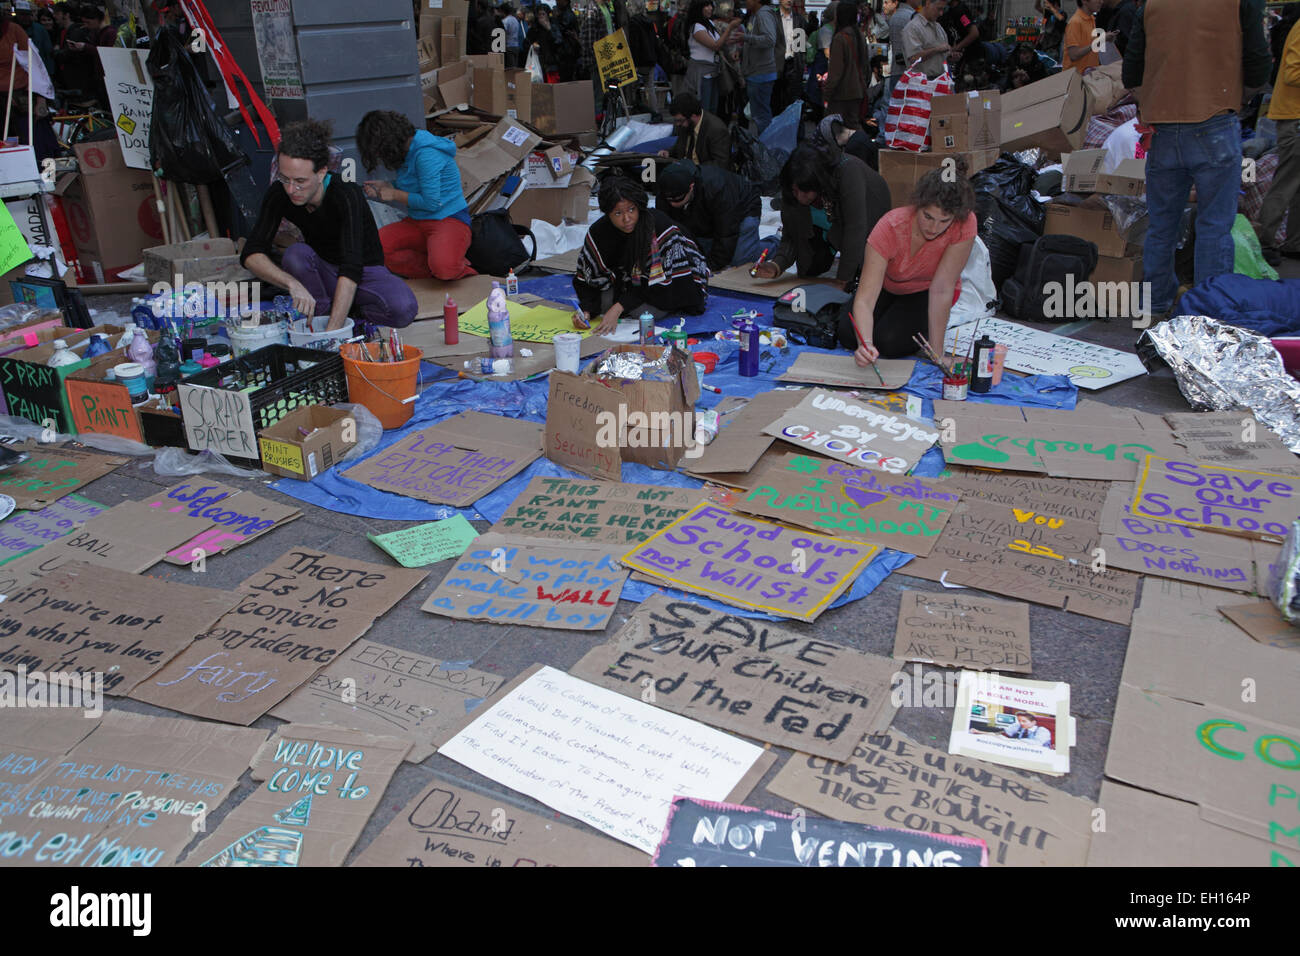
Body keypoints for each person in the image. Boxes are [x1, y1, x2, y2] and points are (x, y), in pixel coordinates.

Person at [1124, 0, 1270, 317]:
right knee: (1214, 227)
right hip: (1215, 119)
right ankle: (1208, 313)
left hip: (1162, 127)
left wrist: (1155, 100)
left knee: (1161, 226)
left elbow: (1131, 71)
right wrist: (1239, 96)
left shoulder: (1151, 5)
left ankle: (1153, 303)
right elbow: (1259, 64)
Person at [240, 120, 417, 331]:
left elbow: (352, 267)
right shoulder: (280, 192)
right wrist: (291, 284)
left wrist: (333, 333)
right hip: (323, 270)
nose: (290, 189)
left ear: (322, 172)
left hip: (364, 272)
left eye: (300, 181)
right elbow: (251, 252)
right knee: (296, 254)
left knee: (403, 308)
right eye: (284, 178)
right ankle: (321, 313)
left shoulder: (345, 193)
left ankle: (350, 317)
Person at [839, 159, 976, 360]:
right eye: (928, 217)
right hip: (888, 286)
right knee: (849, 335)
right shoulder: (890, 227)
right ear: (917, 205)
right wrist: (865, 346)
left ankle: (920, 331)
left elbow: (942, 288)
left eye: (944, 221)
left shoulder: (965, 223)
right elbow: (866, 298)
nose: (934, 228)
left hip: (926, 291)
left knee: (889, 342)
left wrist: (937, 353)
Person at [573, 174, 710, 333]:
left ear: (639, 206)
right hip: (625, 285)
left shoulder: (657, 227)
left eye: (631, 209)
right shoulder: (599, 232)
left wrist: (618, 308)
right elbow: (587, 275)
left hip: (666, 286)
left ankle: (624, 304)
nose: (627, 219)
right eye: (617, 213)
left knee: (643, 313)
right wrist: (587, 311)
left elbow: (657, 282)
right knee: (602, 304)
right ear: (607, 213)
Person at [356, 110, 476, 284]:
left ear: (387, 144)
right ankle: (437, 267)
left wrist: (394, 194)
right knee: (377, 246)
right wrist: (389, 186)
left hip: (449, 219)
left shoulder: (426, 154)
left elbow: (431, 203)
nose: (380, 158)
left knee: (444, 267)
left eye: (379, 152)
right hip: (418, 221)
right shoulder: (407, 149)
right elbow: (414, 186)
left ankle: (457, 268)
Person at [753, 136, 891, 287]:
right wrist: (776, 265)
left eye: (805, 192)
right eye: (794, 191)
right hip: (829, 230)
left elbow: (856, 229)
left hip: (868, 224)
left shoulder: (848, 172)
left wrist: (842, 280)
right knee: (809, 271)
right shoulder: (793, 183)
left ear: (818, 183)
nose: (799, 197)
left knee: (861, 278)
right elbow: (791, 235)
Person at [658, 159, 763, 268]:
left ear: (691, 187)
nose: (673, 204)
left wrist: (710, 267)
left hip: (744, 207)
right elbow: (666, 232)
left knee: (739, 260)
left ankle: (775, 246)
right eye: (670, 200)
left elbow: (726, 231)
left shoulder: (717, 188)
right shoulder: (664, 190)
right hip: (707, 215)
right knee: (697, 253)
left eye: (679, 199)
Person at [685, 0, 738, 114]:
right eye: (706, 6)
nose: (710, 8)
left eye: (711, 6)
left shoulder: (710, 24)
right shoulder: (696, 27)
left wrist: (731, 53)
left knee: (713, 108)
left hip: (714, 72)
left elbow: (721, 44)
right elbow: (715, 45)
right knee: (704, 108)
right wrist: (729, 28)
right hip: (702, 74)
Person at [825, 0, 869, 130]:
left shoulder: (840, 38)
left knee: (838, 130)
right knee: (853, 126)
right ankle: (860, 148)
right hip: (858, 90)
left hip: (842, 93)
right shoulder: (859, 35)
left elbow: (835, 72)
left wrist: (827, 93)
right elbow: (866, 65)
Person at [659, 91, 731, 168]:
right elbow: (679, 147)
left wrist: (694, 170)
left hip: (705, 174)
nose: (677, 124)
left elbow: (721, 164)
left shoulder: (716, 130)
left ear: (693, 116)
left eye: (680, 120)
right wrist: (668, 152)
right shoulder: (685, 124)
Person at [740, 0, 781, 135]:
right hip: (758, 72)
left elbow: (769, 39)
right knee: (760, 114)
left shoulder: (763, 15)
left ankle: (765, 149)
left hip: (761, 73)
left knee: (761, 115)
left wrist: (745, 37)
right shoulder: (756, 15)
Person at [899, 0, 950, 79]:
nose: (941, 13)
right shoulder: (912, 28)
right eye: (939, 9)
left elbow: (944, 54)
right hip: (921, 83)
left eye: (943, 9)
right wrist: (937, 49)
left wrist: (951, 55)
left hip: (940, 79)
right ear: (928, 3)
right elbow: (914, 58)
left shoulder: (938, 27)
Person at [773, 0, 806, 115]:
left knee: (793, 102)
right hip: (776, 64)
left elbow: (800, 47)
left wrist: (801, 65)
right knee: (776, 102)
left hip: (793, 64)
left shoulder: (798, 19)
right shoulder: (773, 17)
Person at [1062, 0, 1105, 73]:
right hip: (1076, 78)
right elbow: (1074, 55)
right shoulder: (1075, 22)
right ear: (1084, 1)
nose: (1101, 2)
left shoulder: (1091, 18)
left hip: (1089, 75)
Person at [14, 2, 52, 81]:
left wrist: (49, 73)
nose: (25, 17)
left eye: (27, 14)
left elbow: (48, 52)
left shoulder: (40, 29)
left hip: (38, 70)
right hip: (18, 72)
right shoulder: (12, 30)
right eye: (22, 14)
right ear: (17, 14)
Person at [527, 5, 561, 80]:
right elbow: (527, 42)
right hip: (538, 62)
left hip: (552, 63)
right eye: (539, 14)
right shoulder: (534, 28)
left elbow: (558, 42)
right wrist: (533, 44)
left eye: (543, 14)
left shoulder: (553, 26)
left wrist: (549, 29)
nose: (541, 16)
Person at [500, 3, 524, 68]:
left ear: (503, 11)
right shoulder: (515, 20)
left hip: (508, 46)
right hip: (516, 46)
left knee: (510, 68)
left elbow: (503, 33)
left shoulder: (505, 21)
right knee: (515, 67)